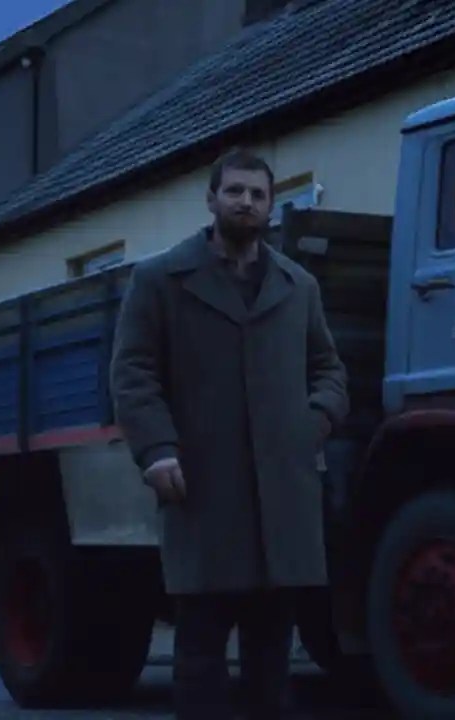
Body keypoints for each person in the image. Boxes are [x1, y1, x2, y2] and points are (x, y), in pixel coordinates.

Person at [109, 148, 348, 719]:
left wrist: (310, 424)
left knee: (271, 668)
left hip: (281, 505)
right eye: (235, 191)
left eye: (258, 194)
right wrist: (158, 451)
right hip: (204, 495)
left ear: (272, 206)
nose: (246, 202)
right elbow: (133, 372)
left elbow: (330, 370)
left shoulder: (298, 287)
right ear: (211, 199)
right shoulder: (160, 280)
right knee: (199, 665)